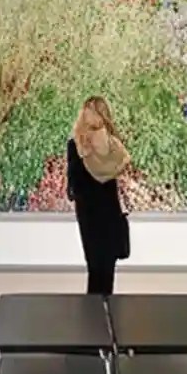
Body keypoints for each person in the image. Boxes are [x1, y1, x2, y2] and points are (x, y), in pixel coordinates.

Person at [66, 96, 131, 296]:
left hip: (107, 211)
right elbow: (75, 181)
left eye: (92, 111)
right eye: (87, 110)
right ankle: (95, 313)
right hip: (90, 213)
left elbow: (75, 184)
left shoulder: (114, 147)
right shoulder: (76, 144)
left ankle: (104, 312)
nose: (88, 115)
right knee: (96, 266)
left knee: (106, 266)